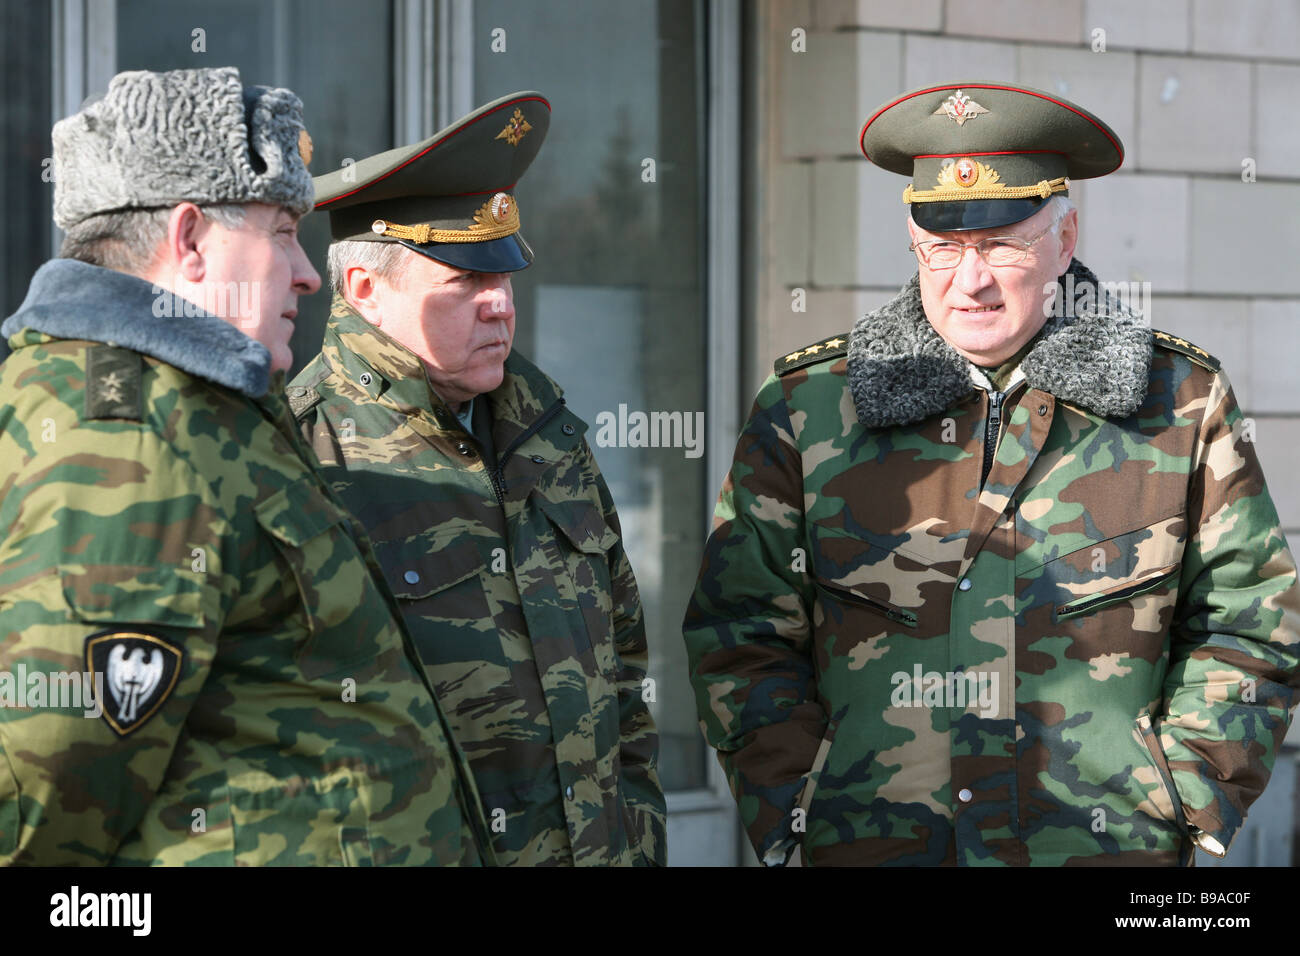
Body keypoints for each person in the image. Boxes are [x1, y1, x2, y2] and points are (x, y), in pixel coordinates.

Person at [683, 82, 1300, 866]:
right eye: (942, 248)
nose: (968, 281)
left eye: (1002, 244)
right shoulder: (810, 410)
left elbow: (1251, 619)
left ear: (1065, 234)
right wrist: (802, 803)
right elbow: (741, 631)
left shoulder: (1177, 404)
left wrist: (1183, 800)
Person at [0, 66, 489, 866]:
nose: (305, 272)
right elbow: (54, 773)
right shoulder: (134, 430)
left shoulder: (200, 403)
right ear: (189, 239)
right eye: (281, 231)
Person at [288, 92, 666, 866]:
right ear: (365, 291)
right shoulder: (305, 456)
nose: (499, 306)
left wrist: (639, 837)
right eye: (463, 281)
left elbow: (623, 672)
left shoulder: (546, 432)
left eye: (505, 275)